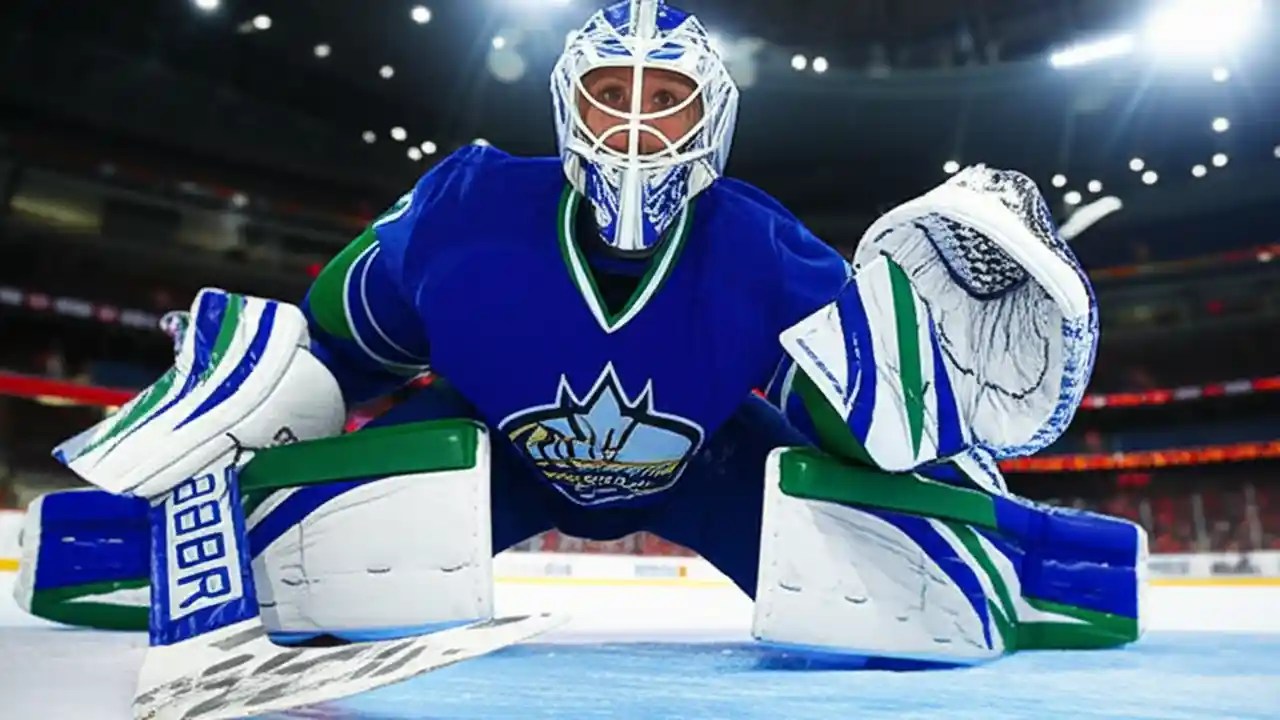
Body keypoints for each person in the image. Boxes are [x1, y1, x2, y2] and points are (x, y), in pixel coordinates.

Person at [26, 0, 1141, 679]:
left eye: (668, 99)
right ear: (570, 103)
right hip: (485, 453)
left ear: (711, 117)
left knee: (918, 580)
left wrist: (928, 399)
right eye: (614, 92)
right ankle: (117, 545)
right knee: (295, 535)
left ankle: (1050, 563)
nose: (638, 121)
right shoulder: (463, 210)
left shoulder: (762, 245)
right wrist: (240, 394)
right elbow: (330, 355)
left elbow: (850, 425)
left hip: (710, 464)